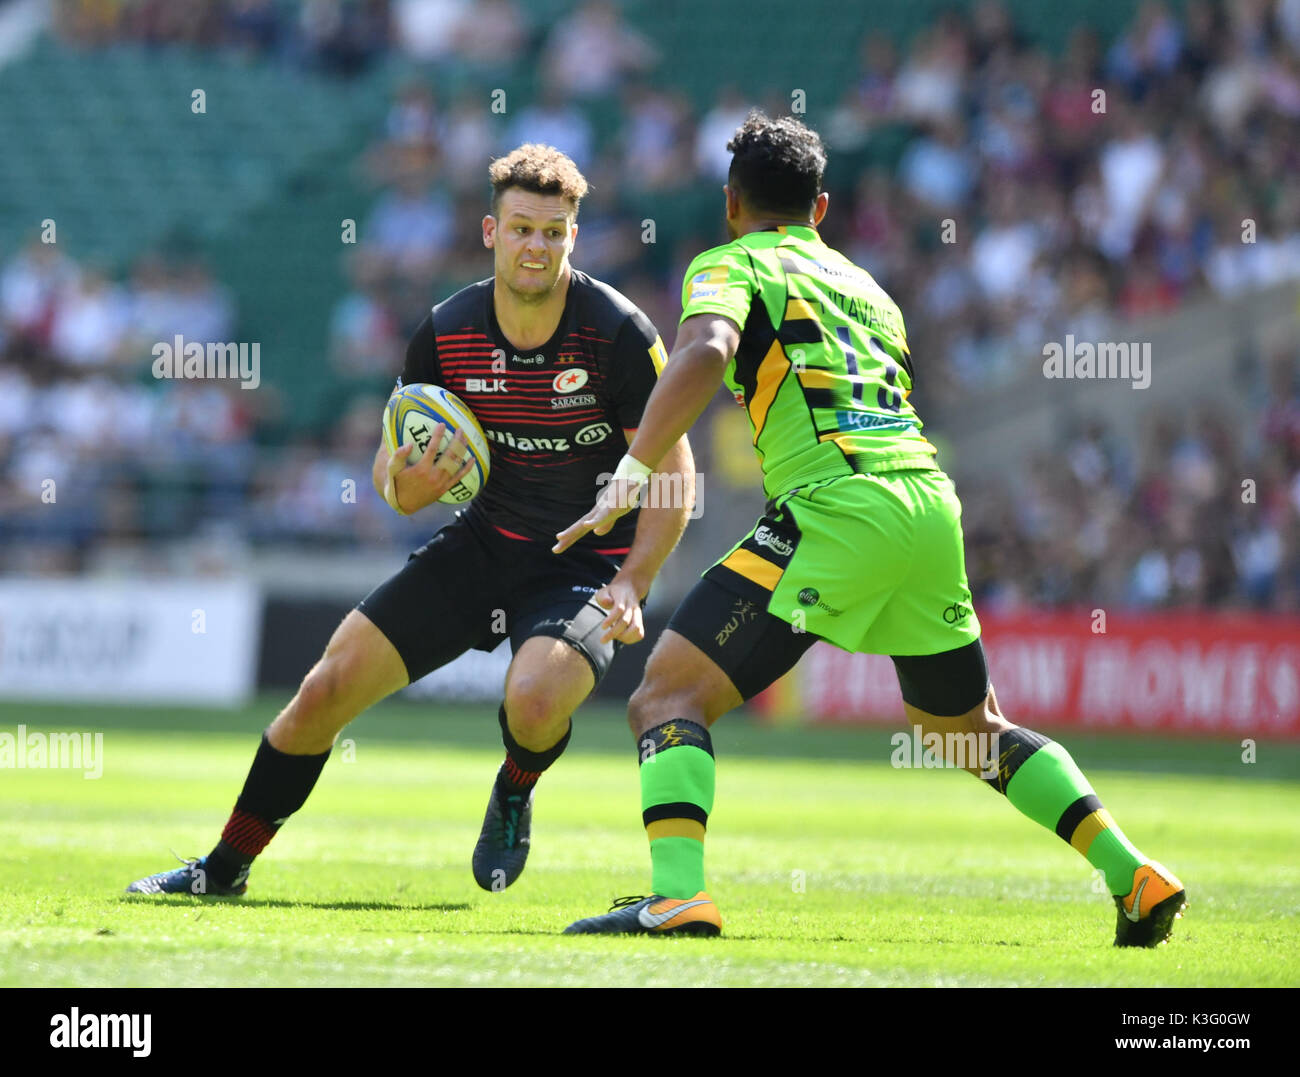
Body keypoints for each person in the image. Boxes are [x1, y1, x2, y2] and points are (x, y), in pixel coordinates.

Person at [554, 112, 1186, 946]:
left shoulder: (730, 261)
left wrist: (631, 471)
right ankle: (1131, 870)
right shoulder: (868, 287)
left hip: (835, 506)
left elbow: (706, 349)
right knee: (966, 732)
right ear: (820, 209)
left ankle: (678, 896)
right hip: (926, 502)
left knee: (666, 694)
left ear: (731, 202)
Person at [127, 144, 692, 897]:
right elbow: (390, 480)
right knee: (324, 690)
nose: (537, 246)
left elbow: (676, 468)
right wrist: (407, 487)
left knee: (531, 699)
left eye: (553, 233)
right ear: (492, 233)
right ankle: (221, 868)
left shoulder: (618, 333)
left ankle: (515, 786)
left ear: (573, 238)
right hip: (483, 545)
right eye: (522, 229)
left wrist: (634, 578)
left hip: (585, 563)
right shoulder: (445, 332)